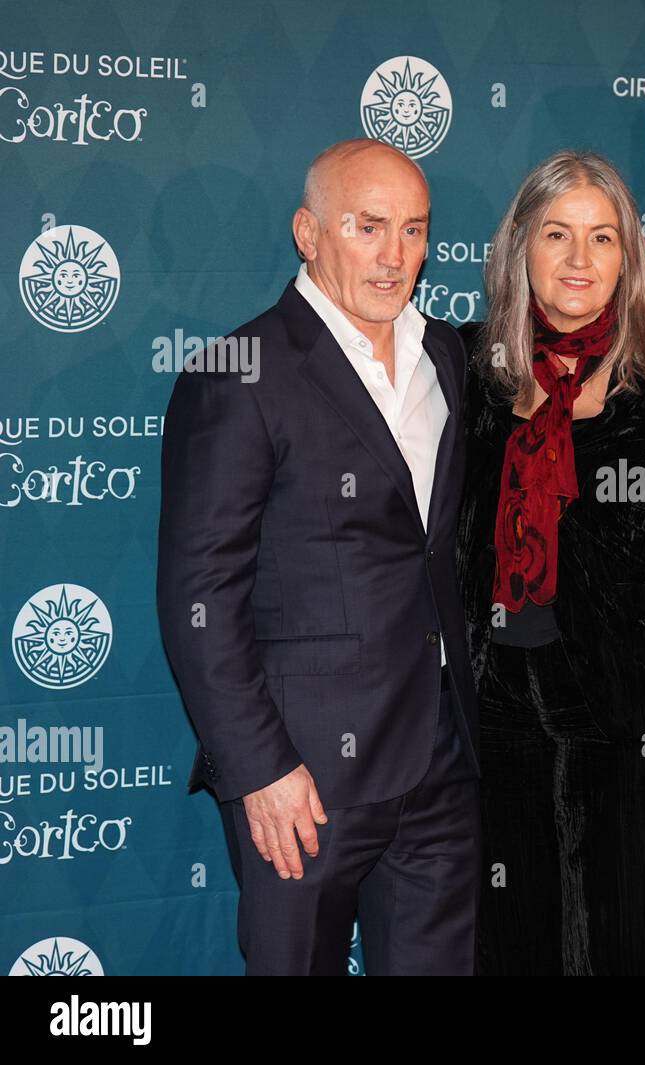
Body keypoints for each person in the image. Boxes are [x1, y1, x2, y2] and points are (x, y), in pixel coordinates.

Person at [157, 138, 479, 975]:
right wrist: (258, 765)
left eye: (413, 230)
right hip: (303, 777)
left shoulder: (447, 357)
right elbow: (199, 594)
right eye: (368, 227)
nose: (393, 255)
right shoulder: (239, 373)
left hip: (441, 759)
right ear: (308, 232)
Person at [456, 150, 645, 975]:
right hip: (497, 714)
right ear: (521, 248)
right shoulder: (471, 374)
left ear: (631, 257)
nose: (580, 260)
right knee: (511, 947)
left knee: (632, 942)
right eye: (557, 235)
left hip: (637, 719)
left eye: (602, 237)